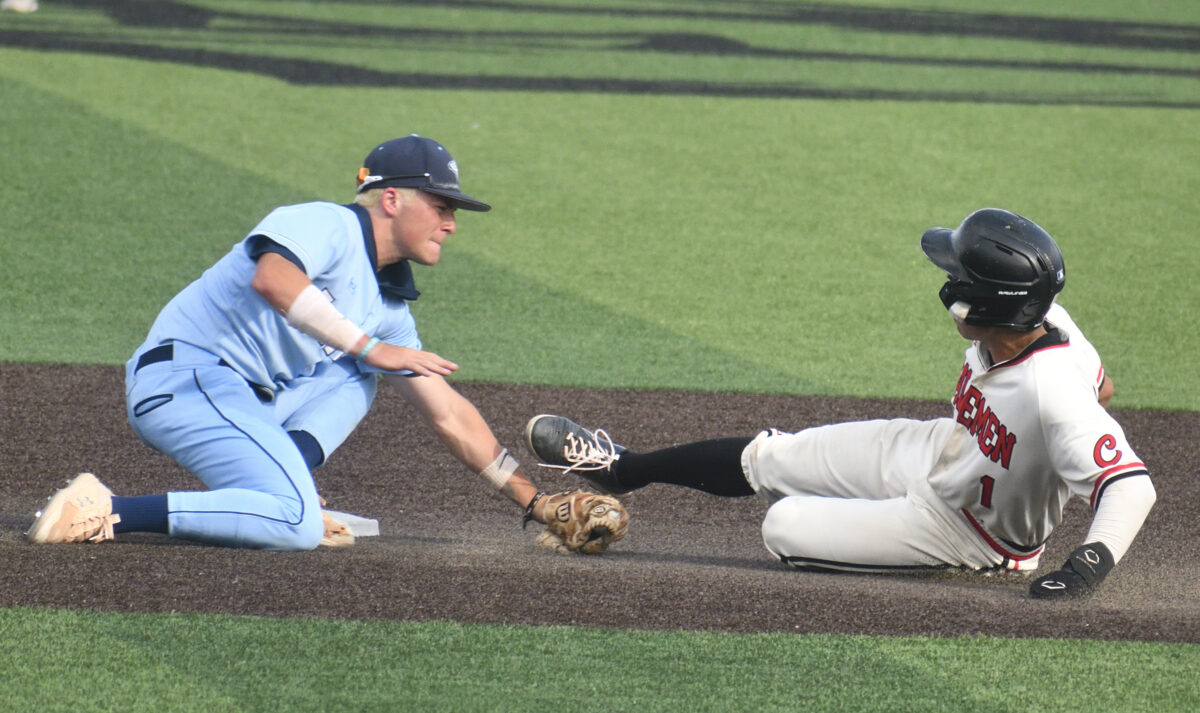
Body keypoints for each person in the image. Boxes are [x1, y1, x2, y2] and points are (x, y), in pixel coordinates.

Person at [525, 208, 1156, 599]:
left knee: (784, 526)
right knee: (774, 457)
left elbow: (1131, 487)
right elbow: (1100, 386)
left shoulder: (1050, 389)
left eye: (955, 276)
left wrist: (1086, 566)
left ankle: (947, 548)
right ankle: (623, 469)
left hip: (972, 533)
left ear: (984, 303)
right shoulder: (1050, 321)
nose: (946, 282)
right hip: (940, 451)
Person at [27, 134, 609, 551]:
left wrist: (536, 503)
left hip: (242, 400)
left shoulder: (388, 306)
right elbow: (273, 279)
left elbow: (449, 414)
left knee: (359, 376)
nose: (452, 223)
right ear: (391, 199)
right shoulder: (327, 224)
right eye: (441, 206)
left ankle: (284, 480)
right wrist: (369, 348)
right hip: (187, 378)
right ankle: (105, 511)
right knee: (298, 524)